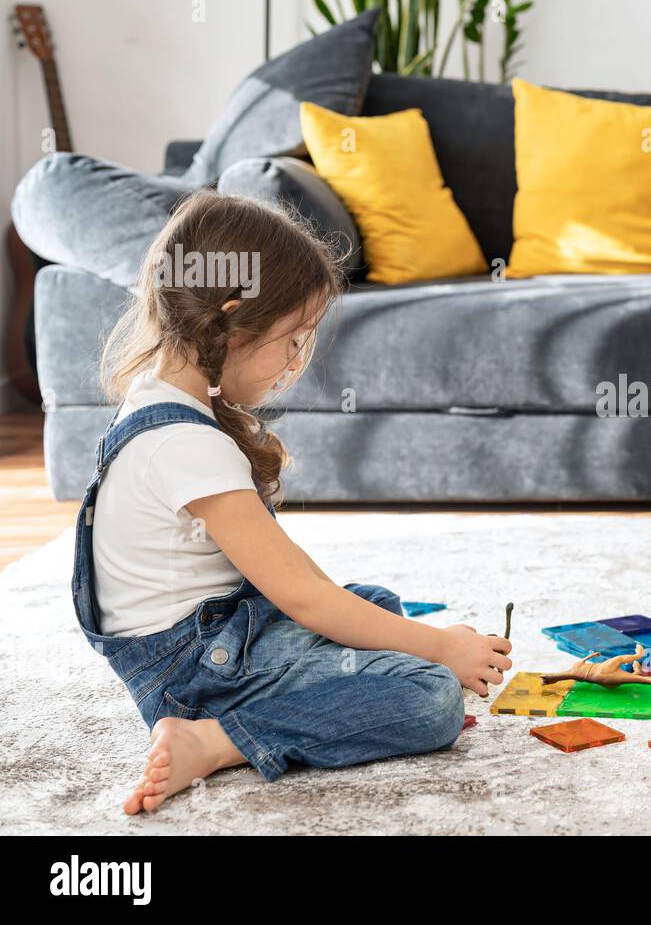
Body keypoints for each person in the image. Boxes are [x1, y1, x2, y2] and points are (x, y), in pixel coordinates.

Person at [73, 190, 512, 813]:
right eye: (294, 338)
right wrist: (439, 648)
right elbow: (299, 595)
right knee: (429, 696)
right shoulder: (187, 445)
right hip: (196, 673)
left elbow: (294, 577)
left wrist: (407, 632)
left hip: (212, 640)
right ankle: (216, 739)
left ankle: (290, 697)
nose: (297, 362)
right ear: (232, 320)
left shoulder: (153, 401)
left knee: (374, 607)